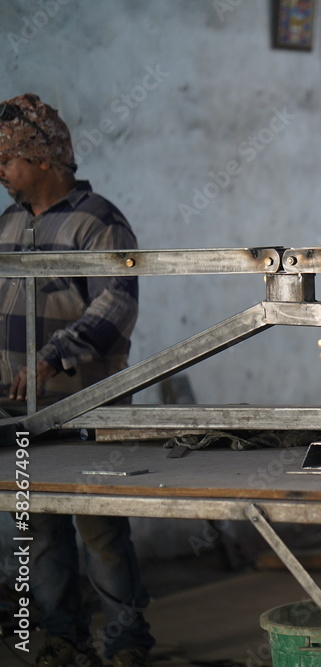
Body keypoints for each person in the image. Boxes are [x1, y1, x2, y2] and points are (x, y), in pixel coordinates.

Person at [0, 94, 153, 667]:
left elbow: (117, 302)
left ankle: (127, 640)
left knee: (100, 528)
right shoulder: (9, 226)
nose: (1, 172)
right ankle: (63, 638)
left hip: (83, 404)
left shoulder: (98, 222)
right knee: (38, 526)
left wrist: (54, 356)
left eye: (7, 161)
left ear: (42, 161)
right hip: (19, 410)